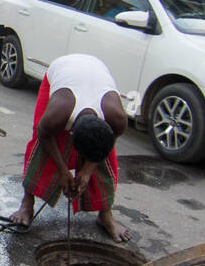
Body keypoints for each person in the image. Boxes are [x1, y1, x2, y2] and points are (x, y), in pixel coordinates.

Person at [9, 54, 131, 243]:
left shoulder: (117, 119)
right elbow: (44, 135)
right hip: (62, 72)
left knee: (107, 158)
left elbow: (105, 147)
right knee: (39, 145)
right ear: (71, 132)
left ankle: (105, 215)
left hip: (95, 70)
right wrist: (62, 170)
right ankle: (27, 204)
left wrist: (87, 172)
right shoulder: (58, 112)